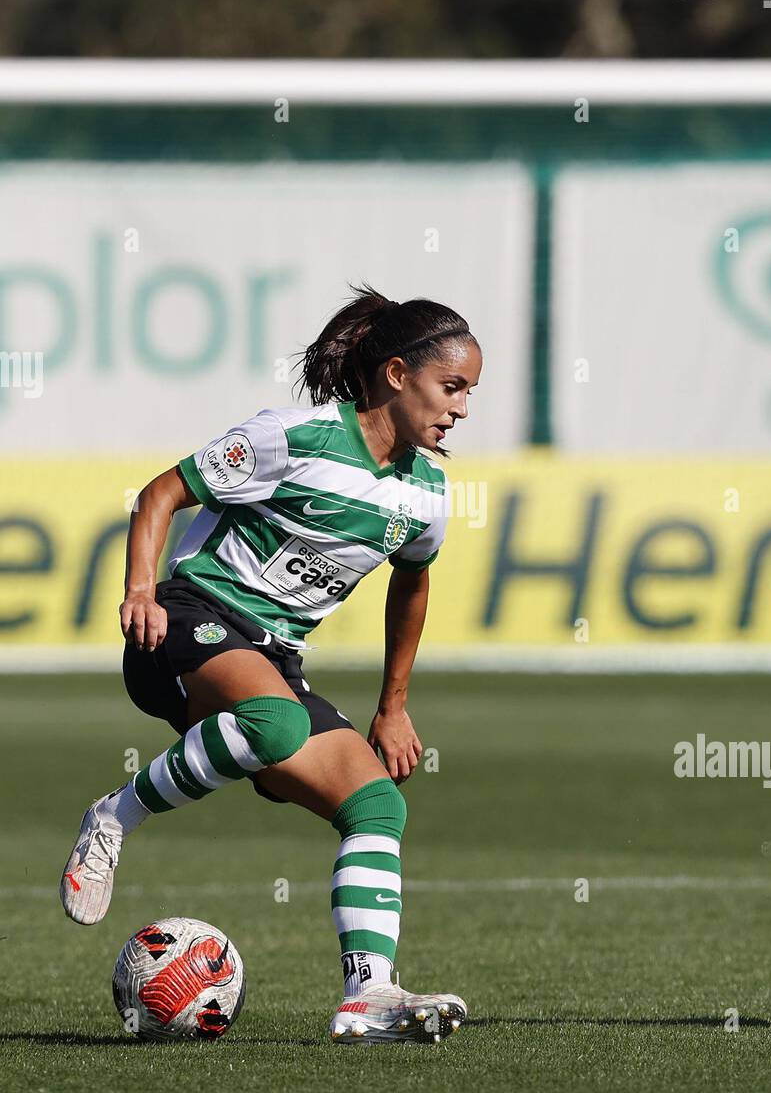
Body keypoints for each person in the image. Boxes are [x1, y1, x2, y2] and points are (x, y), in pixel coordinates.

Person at [59, 284, 482, 1045]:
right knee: (275, 717)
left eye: (470, 393)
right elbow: (160, 494)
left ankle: (369, 995)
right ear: (395, 374)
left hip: (272, 660)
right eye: (451, 386)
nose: (460, 408)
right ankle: (112, 818)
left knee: (377, 804)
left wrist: (393, 705)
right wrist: (139, 590)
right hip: (187, 623)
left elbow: (413, 584)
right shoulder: (295, 437)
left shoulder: (425, 495)